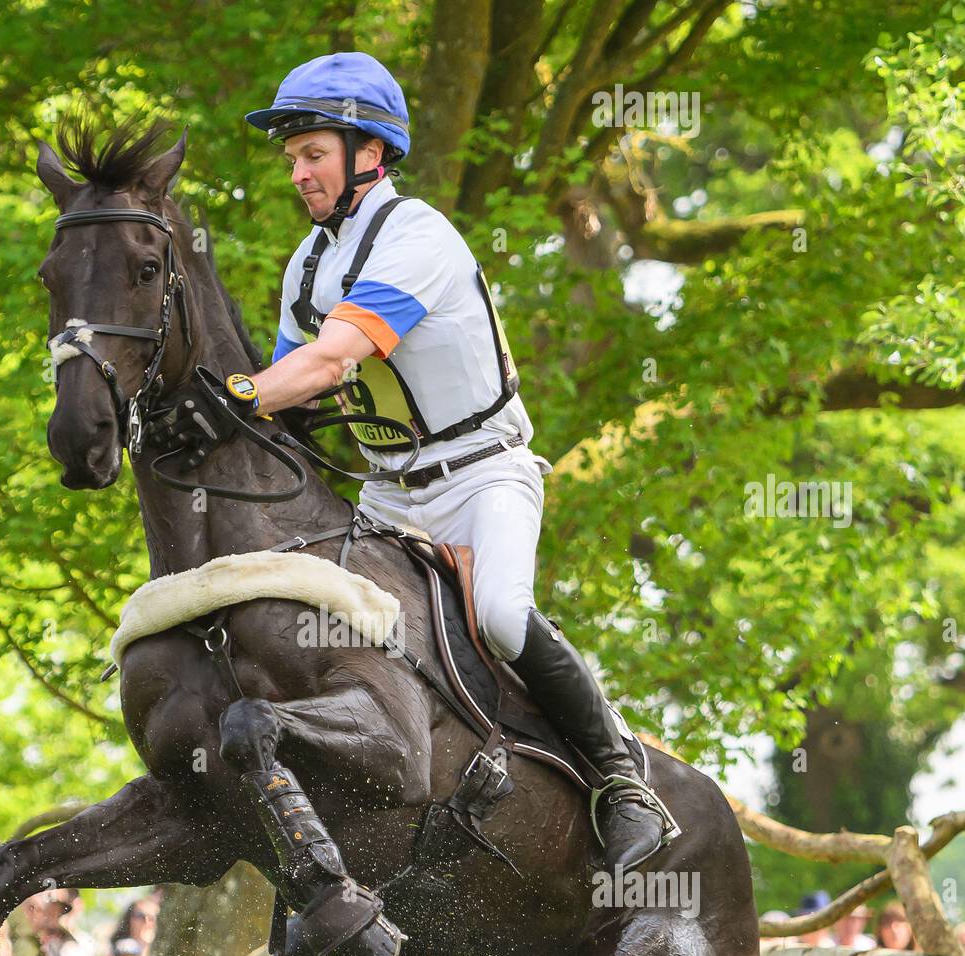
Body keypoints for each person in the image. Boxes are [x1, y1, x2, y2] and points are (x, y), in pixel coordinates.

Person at [152, 51, 677, 871]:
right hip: (387, 497)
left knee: (500, 615)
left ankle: (620, 776)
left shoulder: (419, 236)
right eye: (291, 156)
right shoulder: (308, 266)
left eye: (312, 153)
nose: (297, 172)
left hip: (479, 477)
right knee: (327, 645)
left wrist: (239, 392)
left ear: (370, 153)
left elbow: (325, 364)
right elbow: (287, 398)